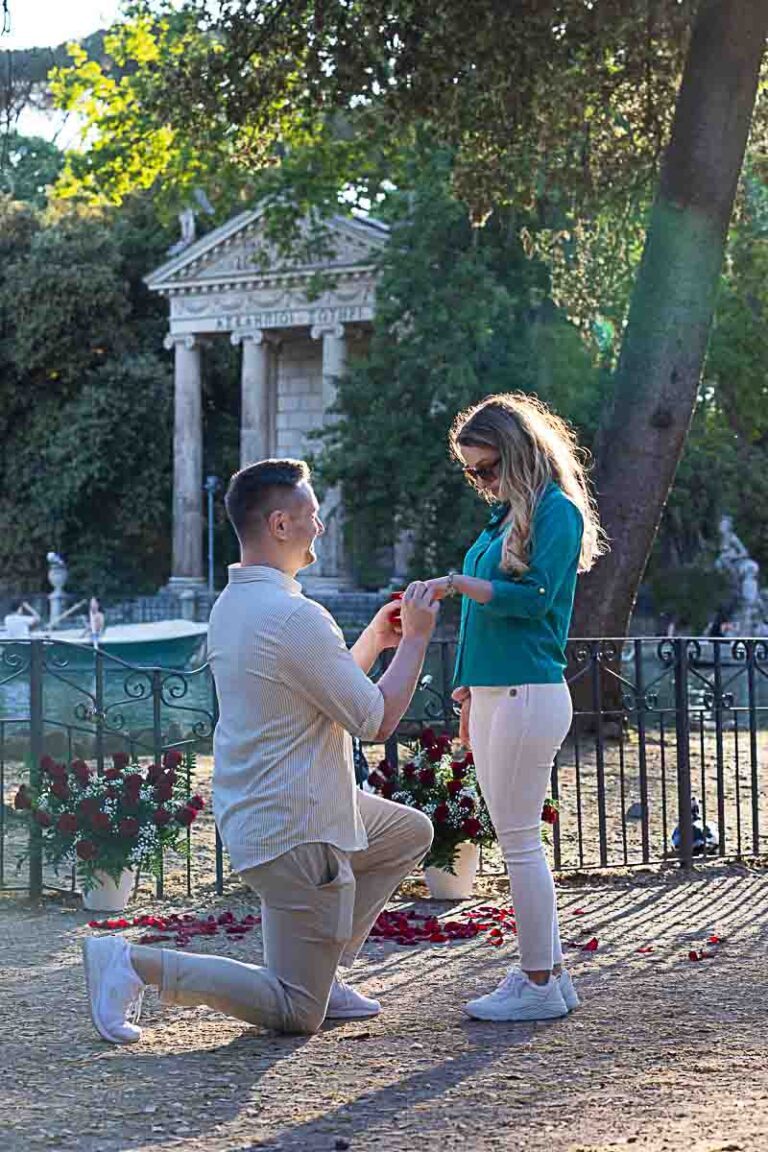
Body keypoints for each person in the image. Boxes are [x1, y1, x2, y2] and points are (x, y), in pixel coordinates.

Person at [82, 458, 437, 1044]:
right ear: (279, 524)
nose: (319, 527)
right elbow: (372, 719)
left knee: (406, 832)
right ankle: (133, 964)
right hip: (298, 832)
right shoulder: (294, 616)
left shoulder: (237, 603)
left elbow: (327, 689)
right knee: (297, 1012)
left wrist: (375, 639)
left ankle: (322, 968)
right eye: (313, 516)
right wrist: (418, 639)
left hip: (266, 812)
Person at [424, 393, 607, 1022]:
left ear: (520, 451)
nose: (482, 482)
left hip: (530, 691)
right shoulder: (506, 518)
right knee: (517, 838)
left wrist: (459, 583)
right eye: (473, 472)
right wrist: (467, 690)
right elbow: (483, 618)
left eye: (487, 467)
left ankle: (537, 981)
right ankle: (548, 975)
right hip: (500, 691)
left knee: (521, 841)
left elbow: (531, 602)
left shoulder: (557, 513)